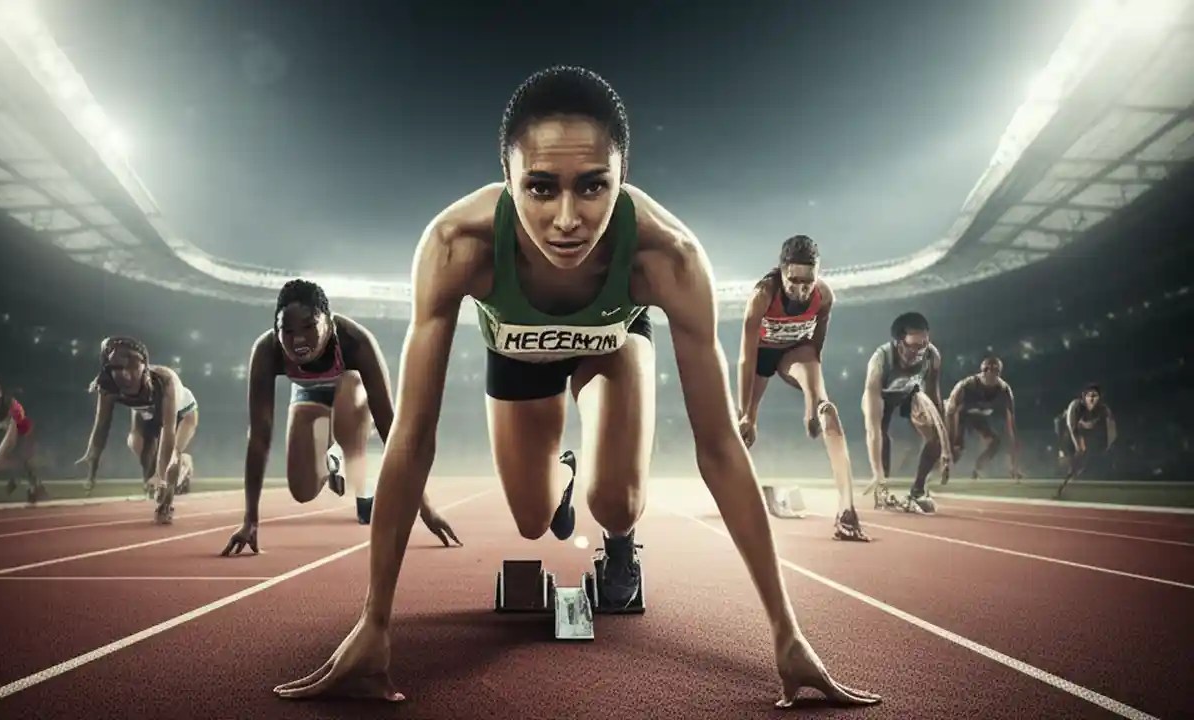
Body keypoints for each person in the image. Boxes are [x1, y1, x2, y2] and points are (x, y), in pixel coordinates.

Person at [273, 65, 879, 709]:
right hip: (519, 352)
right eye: (540, 188)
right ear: (506, 178)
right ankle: (562, 476)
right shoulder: (456, 245)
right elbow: (412, 438)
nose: (567, 220)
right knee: (532, 521)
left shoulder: (667, 256)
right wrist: (375, 621)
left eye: (593, 186)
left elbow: (721, 448)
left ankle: (618, 546)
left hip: (611, 343)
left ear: (623, 176)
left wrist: (787, 632)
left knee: (616, 501)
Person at [221, 279, 461, 556]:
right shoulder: (267, 350)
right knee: (302, 491)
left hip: (351, 392)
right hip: (309, 397)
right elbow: (259, 437)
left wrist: (425, 507)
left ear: (329, 322)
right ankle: (332, 461)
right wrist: (250, 520)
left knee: (348, 388)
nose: (298, 340)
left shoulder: (355, 342)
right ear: (276, 330)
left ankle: (354, 457)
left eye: (309, 327)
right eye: (287, 331)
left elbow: (391, 428)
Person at [736, 235, 868, 541]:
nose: (801, 289)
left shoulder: (824, 297)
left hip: (795, 352)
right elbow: (746, 357)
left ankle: (847, 511)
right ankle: (734, 492)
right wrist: (747, 413)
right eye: (793, 281)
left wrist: (812, 398)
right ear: (781, 272)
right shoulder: (762, 296)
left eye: (808, 281)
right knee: (741, 431)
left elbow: (815, 348)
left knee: (827, 409)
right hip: (762, 353)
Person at [76, 337, 198, 524]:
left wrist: (160, 476)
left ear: (144, 367)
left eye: (132, 367)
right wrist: (92, 458)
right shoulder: (107, 386)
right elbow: (101, 425)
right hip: (146, 412)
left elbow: (168, 431)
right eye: (117, 368)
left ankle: (167, 501)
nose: (125, 375)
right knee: (134, 442)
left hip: (181, 413)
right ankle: (161, 478)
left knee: (172, 455)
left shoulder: (166, 380)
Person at [860, 312, 951, 513]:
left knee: (935, 434)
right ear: (899, 343)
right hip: (881, 395)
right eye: (913, 347)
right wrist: (877, 472)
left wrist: (945, 449)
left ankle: (918, 490)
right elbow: (872, 429)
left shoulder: (932, 355)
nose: (919, 352)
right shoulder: (880, 360)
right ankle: (882, 489)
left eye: (924, 344)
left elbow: (934, 397)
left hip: (910, 393)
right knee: (881, 434)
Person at [0, 374, 46, 503]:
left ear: (0, 392)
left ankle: (29, 482)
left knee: (0, 462)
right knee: (0, 464)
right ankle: (28, 481)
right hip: (4, 429)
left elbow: (21, 426)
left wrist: (24, 447)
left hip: (18, 425)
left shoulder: (9, 403)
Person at [945, 355, 1021, 480]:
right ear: (982, 370)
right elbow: (950, 411)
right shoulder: (967, 385)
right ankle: (934, 470)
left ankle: (978, 468)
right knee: (956, 449)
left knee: (994, 442)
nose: (990, 374)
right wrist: (951, 441)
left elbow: (1011, 427)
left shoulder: (1004, 390)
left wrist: (1014, 466)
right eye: (987, 370)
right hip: (958, 414)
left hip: (977, 415)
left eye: (995, 370)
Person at [1055, 384, 1116, 496]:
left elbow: (1112, 428)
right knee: (1077, 452)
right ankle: (1064, 470)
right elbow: (1071, 426)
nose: (1092, 399)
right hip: (1066, 426)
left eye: (1095, 396)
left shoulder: (1103, 409)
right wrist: (1078, 447)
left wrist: (1109, 444)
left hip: (1083, 429)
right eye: (1089, 396)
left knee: (1084, 455)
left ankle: (1075, 473)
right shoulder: (1076, 406)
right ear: (1084, 397)